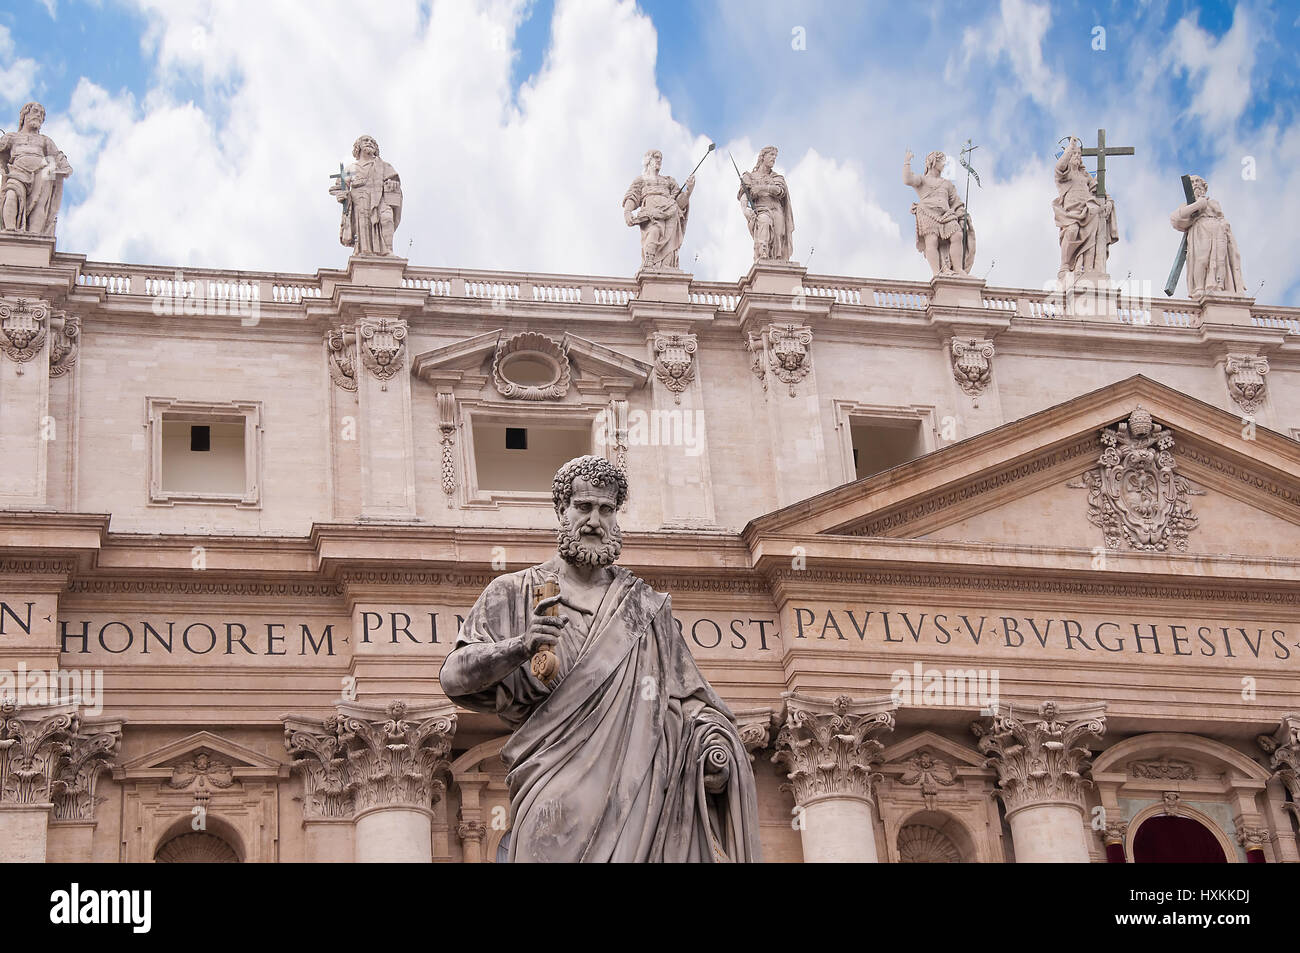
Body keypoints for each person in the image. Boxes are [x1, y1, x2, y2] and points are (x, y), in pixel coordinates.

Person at [439, 455, 762, 863]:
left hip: (638, 794)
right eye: (584, 507)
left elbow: (691, 702)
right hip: (551, 788)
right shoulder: (515, 591)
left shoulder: (646, 608)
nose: (595, 520)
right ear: (562, 511)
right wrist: (520, 646)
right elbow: (454, 677)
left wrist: (711, 747)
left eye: (606, 509)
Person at [0, 102, 72, 236]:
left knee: (39, 205)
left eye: (41, 114)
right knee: (11, 195)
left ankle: (35, 236)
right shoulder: (11, 137)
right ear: (24, 116)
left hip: (42, 173)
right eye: (35, 112)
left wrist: (65, 167)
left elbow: (57, 156)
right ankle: (9, 234)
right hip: (17, 171)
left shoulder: (45, 140)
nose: (38, 116)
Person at [1053, 137, 1117, 279]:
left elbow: (1101, 191)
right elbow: (1060, 166)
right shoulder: (1063, 175)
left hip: (1089, 212)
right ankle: (1065, 266)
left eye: (1078, 154)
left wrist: (1109, 202)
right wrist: (1071, 147)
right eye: (1074, 154)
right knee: (1072, 230)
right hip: (1071, 213)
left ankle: (1088, 268)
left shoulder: (1084, 175)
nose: (1077, 156)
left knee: (1092, 236)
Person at [903, 149, 975, 275]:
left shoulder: (947, 184)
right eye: (942, 161)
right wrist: (907, 161)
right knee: (932, 241)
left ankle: (958, 268)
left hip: (947, 214)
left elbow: (956, 202)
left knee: (957, 235)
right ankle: (937, 272)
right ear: (933, 161)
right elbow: (908, 180)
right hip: (927, 212)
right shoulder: (922, 179)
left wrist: (962, 217)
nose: (944, 164)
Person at [1170, 175, 1245, 295]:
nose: (1195, 184)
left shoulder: (1214, 202)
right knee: (1202, 259)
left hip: (1218, 230)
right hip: (1200, 230)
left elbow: (1221, 216)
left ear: (1204, 187)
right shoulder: (1188, 205)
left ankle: (1219, 287)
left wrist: (1224, 224)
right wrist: (1198, 205)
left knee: (1220, 260)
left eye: (1197, 181)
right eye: (1192, 182)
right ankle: (1199, 288)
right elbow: (1175, 218)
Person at [622, 149, 694, 270]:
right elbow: (632, 197)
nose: (659, 160)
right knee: (654, 232)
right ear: (648, 160)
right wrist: (627, 212)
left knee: (669, 247)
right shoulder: (641, 180)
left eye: (660, 158)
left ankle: (665, 268)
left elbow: (680, 202)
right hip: (651, 214)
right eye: (656, 157)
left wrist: (689, 191)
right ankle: (650, 262)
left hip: (670, 213)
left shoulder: (669, 181)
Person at [330, 135, 402, 256]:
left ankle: (388, 251)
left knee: (387, 218)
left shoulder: (383, 165)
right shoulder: (351, 168)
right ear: (358, 146)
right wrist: (343, 195)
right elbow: (339, 187)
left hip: (379, 197)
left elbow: (394, 181)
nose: (369, 143)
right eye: (366, 141)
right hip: (360, 198)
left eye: (372, 141)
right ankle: (364, 251)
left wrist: (392, 183)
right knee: (363, 225)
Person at [738, 145, 794, 261]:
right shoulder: (749, 176)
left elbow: (780, 191)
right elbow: (744, 195)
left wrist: (762, 188)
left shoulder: (777, 177)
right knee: (764, 222)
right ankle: (762, 256)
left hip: (777, 210)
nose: (774, 158)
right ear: (763, 157)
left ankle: (778, 265)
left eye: (775, 156)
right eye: (771, 155)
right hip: (761, 209)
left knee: (778, 239)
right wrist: (745, 210)